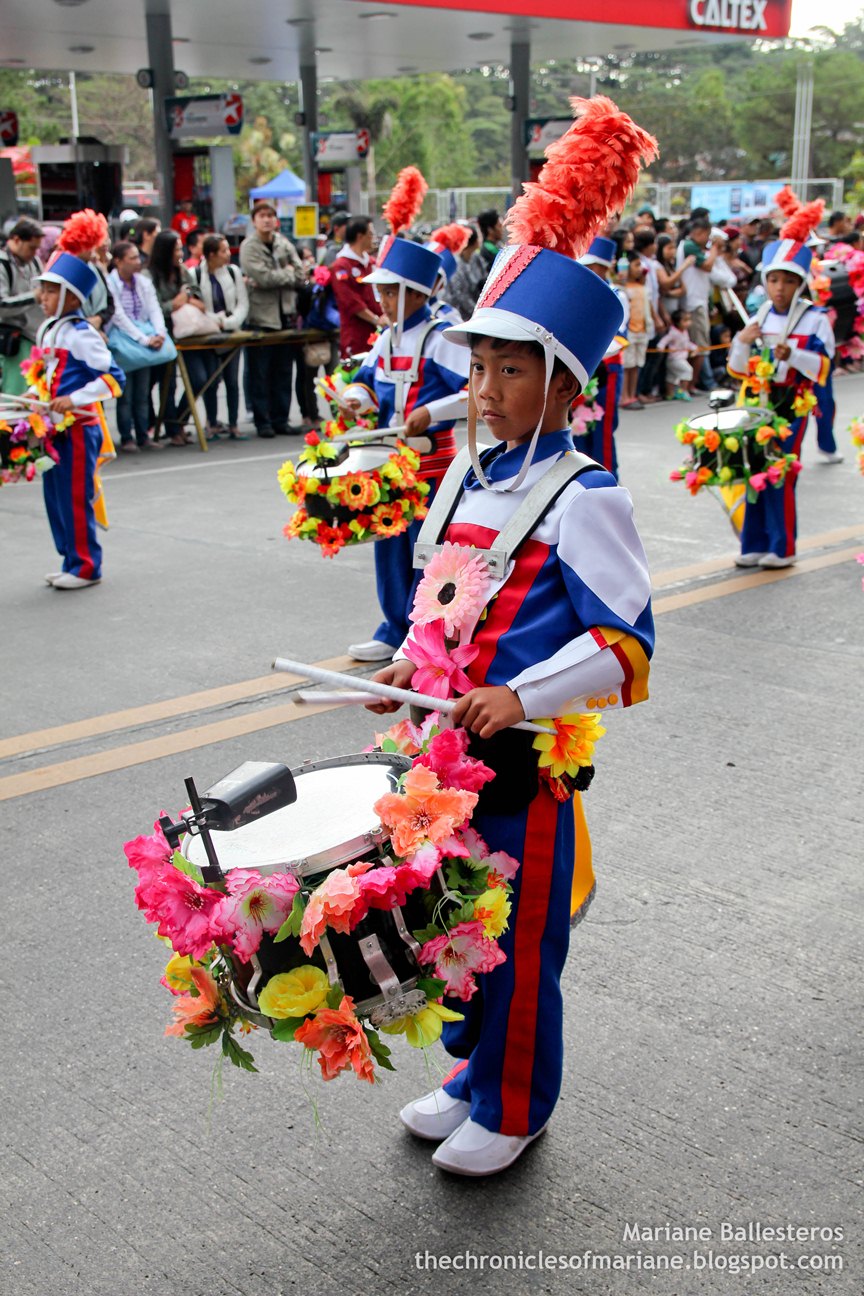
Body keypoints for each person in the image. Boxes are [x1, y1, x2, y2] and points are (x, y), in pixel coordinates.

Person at [366, 96, 656, 1176]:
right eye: (479, 369)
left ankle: (518, 1102)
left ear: (566, 385)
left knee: (524, 942)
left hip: (526, 765)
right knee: (457, 924)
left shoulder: (587, 497)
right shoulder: (463, 475)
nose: (485, 392)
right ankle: (470, 1075)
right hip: (441, 752)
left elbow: (627, 649)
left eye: (512, 370)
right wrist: (405, 667)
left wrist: (523, 698)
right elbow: (436, 607)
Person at [345, 232, 470, 662]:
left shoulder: (443, 337)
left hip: (431, 466)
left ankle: (424, 636)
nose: (379, 298)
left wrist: (430, 413)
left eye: (387, 290)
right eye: (379, 290)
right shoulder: (386, 338)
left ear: (411, 294)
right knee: (389, 546)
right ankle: (392, 627)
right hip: (389, 463)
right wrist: (353, 400)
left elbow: (474, 391)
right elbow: (364, 383)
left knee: (426, 551)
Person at [727, 232, 834, 569]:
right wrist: (742, 342)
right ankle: (754, 543)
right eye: (773, 279)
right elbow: (737, 368)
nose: (779, 288)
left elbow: (824, 367)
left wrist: (795, 355)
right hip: (758, 404)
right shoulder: (757, 319)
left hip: (793, 405)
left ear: (800, 284)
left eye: (788, 281)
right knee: (754, 472)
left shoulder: (815, 318)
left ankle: (783, 547)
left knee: (780, 473)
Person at [29, 252, 124, 588]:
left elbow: (114, 379)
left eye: (51, 291)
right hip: (52, 429)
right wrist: (33, 395)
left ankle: (86, 567)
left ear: (71, 296)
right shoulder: (48, 331)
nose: (43, 298)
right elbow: (44, 375)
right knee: (55, 497)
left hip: (80, 430)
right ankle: (70, 560)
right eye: (43, 290)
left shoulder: (81, 333)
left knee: (73, 496)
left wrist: (74, 399)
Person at [239, 200, 304, 438]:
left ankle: (281, 418)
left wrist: (284, 274)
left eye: (270, 215)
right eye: (262, 215)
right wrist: (285, 274)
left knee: (284, 372)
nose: (266, 219)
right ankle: (262, 421)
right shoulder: (249, 246)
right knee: (260, 373)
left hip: (286, 316)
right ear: (254, 220)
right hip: (261, 318)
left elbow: (300, 274)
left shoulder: (283, 243)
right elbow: (262, 277)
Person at [146, 228, 206, 445]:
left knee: (199, 379)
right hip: (163, 335)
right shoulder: (150, 275)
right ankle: (172, 429)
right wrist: (174, 304)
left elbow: (198, 297)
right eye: (176, 248)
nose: (180, 252)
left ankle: (180, 421)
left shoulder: (183, 271)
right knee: (166, 384)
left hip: (188, 334)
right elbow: (151, 309)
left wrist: (186, 298)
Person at [107, 240, 168, 451]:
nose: (137, 262)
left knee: (142, 392)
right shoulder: (111, 283)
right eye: (131, 258)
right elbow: (118, 316)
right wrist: (143, 338)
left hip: (146, 341)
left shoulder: (143, 282)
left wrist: (159, 333)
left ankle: (143, 435)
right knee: (126, 393)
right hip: (125, 342)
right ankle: (126, 437)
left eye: (137, 257)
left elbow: (154, 309)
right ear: (118, 261)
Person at [578, 235, 628, 476]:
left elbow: (619, 339)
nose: (586, 271)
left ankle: (608, 480)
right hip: (581, 368)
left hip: (607, 368)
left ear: (602, 267)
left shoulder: (617, 294)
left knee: (602, 431)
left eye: (590, 266)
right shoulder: (579, 292)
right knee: (578, 427)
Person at [193, 233, 250, 439]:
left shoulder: (233, 272)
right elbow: (197, 304)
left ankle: (234, 423)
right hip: (208, 333)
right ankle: (212, 422)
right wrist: (215, 321)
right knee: (211, 380)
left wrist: (230, 322)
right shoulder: (196, 274)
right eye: (223, 251)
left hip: (232, 332)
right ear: (211, 254)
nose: (227, 255)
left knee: (232, 381)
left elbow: (242, 303)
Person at [330, 215, 385, 360]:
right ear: (360, 236)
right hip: (356, 335)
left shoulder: (372, 263)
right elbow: (350, 301)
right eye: (371, 234)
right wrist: (375, 319)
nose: (373, 238)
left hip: (379, 332)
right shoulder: (341, 266)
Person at [0, 217, 44, 395]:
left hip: (35, 339)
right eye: (31, 248)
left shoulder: (33, 262)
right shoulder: (3, 264)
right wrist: (33, 297)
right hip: (15, 341)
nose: (34, 253)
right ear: (16, 240)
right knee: (16, 398)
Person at [676, 217, 720, 391]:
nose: (709, 240)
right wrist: (716, 248)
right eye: (707, 235)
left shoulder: (694, 247)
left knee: (699, 346)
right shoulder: (689, 246)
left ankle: (692, 384)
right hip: (693, 304)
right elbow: (708, 266)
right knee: (700, 346)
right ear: (699, 233)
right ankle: (691, 385)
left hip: (699, 302)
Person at [620, 253, 661, 409]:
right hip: (630, 330)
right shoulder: (624, 288)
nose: (640, 269)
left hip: (642, 330)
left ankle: (632, 394)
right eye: (636, 265)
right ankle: (624, 396)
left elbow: (648, 307)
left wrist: (656, 320)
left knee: (637, 364)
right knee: (628, 364)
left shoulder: (642, 287)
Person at [443, 223, 486, 318]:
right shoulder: (456, 264)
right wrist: (477, 315)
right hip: (458, 315)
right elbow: (460, 296)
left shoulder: (476, 258)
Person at [656, 309, 699, 399]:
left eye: (689, 320)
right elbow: (665, 340)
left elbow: (686, 343)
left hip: (679, 358)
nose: (688, 323)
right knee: (688, 370)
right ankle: (682, 391)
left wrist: (694, 348)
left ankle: (670, 394)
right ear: (677, 322)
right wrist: (660, 346)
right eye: (685, 320)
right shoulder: (673, 332)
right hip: (675, 359)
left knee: (671, 377)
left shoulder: (684, 332)